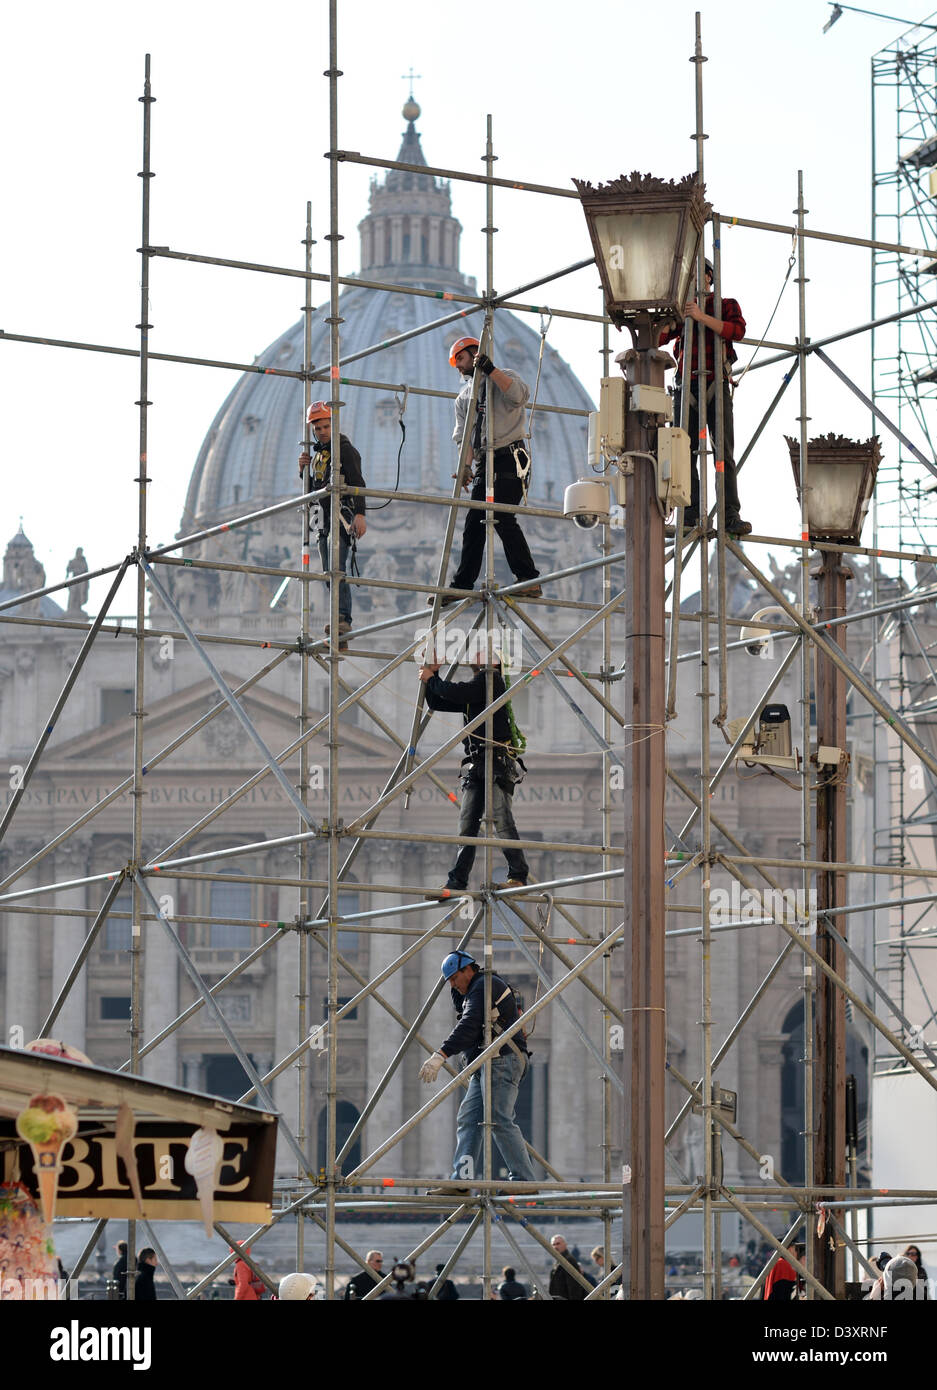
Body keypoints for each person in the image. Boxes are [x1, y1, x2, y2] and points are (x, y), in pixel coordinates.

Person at [419, 950, 535, 1191]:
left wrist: (441, 1054)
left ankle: (524, 1180)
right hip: (485, 1063)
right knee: (468, 1119)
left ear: (468, 970)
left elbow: (470, 1024)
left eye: (454, 978)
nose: (452, 984)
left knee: (498, 1117)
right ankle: (462, 1181)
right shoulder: (472, 990)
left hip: (503, 1060)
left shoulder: (484, 986)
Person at [437, 337, 541, 606]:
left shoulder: (504, 377)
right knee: (473, 524)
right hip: (485, 461)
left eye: (460, 359)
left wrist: (491, 370)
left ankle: (528, 578)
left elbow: (518, 396)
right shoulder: (463, 400)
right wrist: (466, 468)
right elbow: (466, 438)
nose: (457, 367)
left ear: (475, 355)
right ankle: (462, 584)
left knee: (503, 517)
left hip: (510, 458)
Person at [419, 654, 528, 894]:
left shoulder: (493, 681)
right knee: (466, 824)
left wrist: (431, 678)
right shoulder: (476, 690)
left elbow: (457, 693)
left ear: (496, 662)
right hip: (477, 764)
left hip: (496, 762)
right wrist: (433, 678)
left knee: (501, 819)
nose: (475, 655)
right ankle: (457, 880)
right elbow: (439, 702)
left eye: (483, 652)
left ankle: (518, 874)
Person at [661, 259, 751, 537]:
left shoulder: (725, 304)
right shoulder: (683, 310)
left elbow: (737, 330)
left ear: (710, 277)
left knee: (722, 453)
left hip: (716, 382)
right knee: (684, 452)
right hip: (687, 385)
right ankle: (689, 513)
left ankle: (729, 514)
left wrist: (700, 317)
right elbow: (661, 335)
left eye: (698, 275)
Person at [298, 401, 366, 643]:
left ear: (334, 425)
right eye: (318, 428)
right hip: (321, 521)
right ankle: (339, 624)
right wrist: (302, 470)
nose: (322, 431)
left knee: (337, 568)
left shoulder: (345, 451)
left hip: (341, 517)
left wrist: (360, 514)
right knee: (329, 572)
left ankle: (343, 618)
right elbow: (311, 492)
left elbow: (358, 483)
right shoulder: (318, 456)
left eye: (326, 426)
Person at [548, 1234, 587, 1301]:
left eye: (558, 1244)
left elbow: (574, 1287)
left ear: (565, 1245)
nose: (555, 1247)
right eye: (553, 1245)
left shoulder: (569, 1261)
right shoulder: (559, 1261)